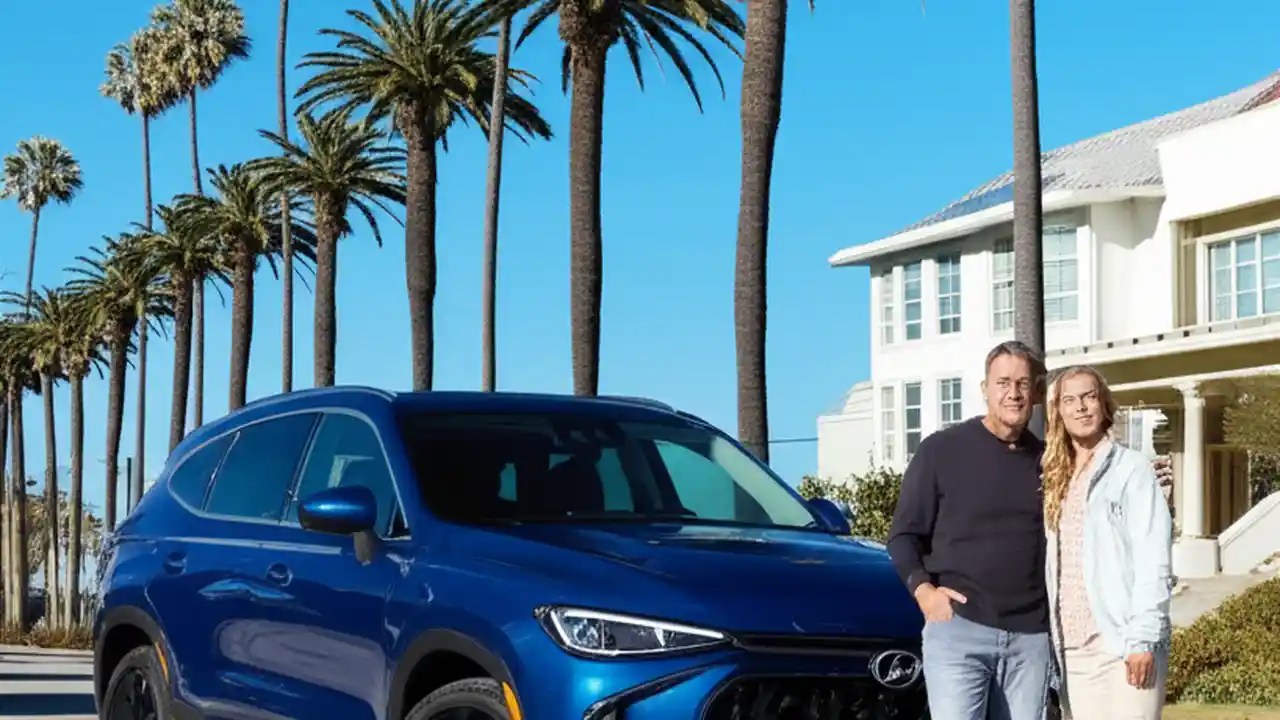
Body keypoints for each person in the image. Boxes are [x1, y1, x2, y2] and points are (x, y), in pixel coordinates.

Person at [886, 341, 1173, 720]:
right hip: (960, 633)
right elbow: (903, 535)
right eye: (1003, 382)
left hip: (1031, 642)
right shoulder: (942, 450)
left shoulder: (1049, 463)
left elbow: (1119, 529)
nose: (1013, 393)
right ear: (984, 389)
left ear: (1037, 394)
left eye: (1023, 383)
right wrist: (924, 593)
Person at [1042, 365, 1173, 719]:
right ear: (1058, 411)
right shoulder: (1055, 477)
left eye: (1088, 397)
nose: (1080, 407)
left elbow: (1153, 558)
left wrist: (1143, 639)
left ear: (1103, 405)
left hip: (1124, 643)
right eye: (1069, 400)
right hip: (1072, 647)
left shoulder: (1132, 470)